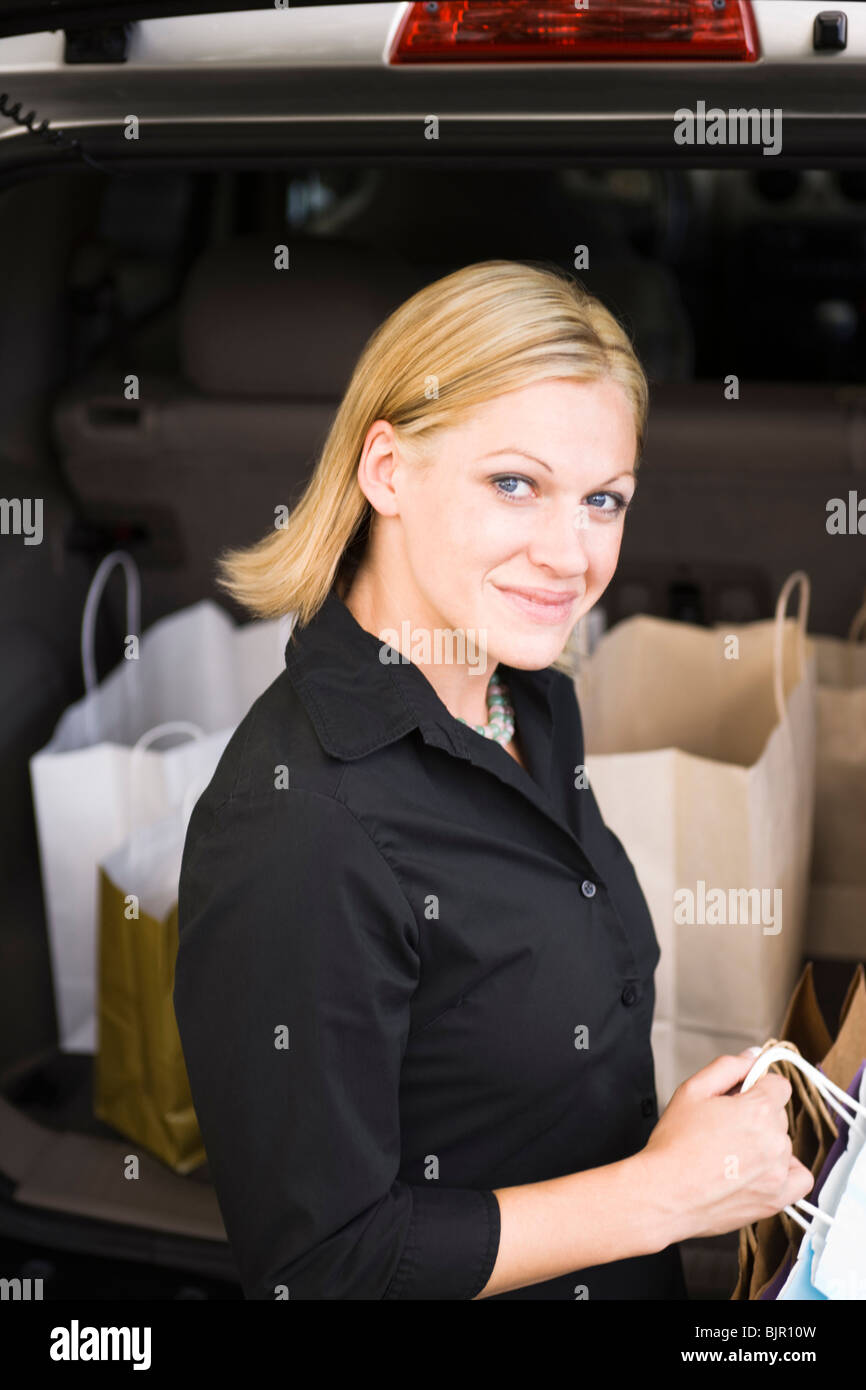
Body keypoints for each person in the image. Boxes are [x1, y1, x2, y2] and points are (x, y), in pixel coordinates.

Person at [173, 259, 813, 1301]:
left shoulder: (529, 697)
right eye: (513, 482)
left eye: (602, 499)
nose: (569, 553)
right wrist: (665, 1191)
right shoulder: (298, 822)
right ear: (386, 469)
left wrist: (690, 1148)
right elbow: (322, 1266)